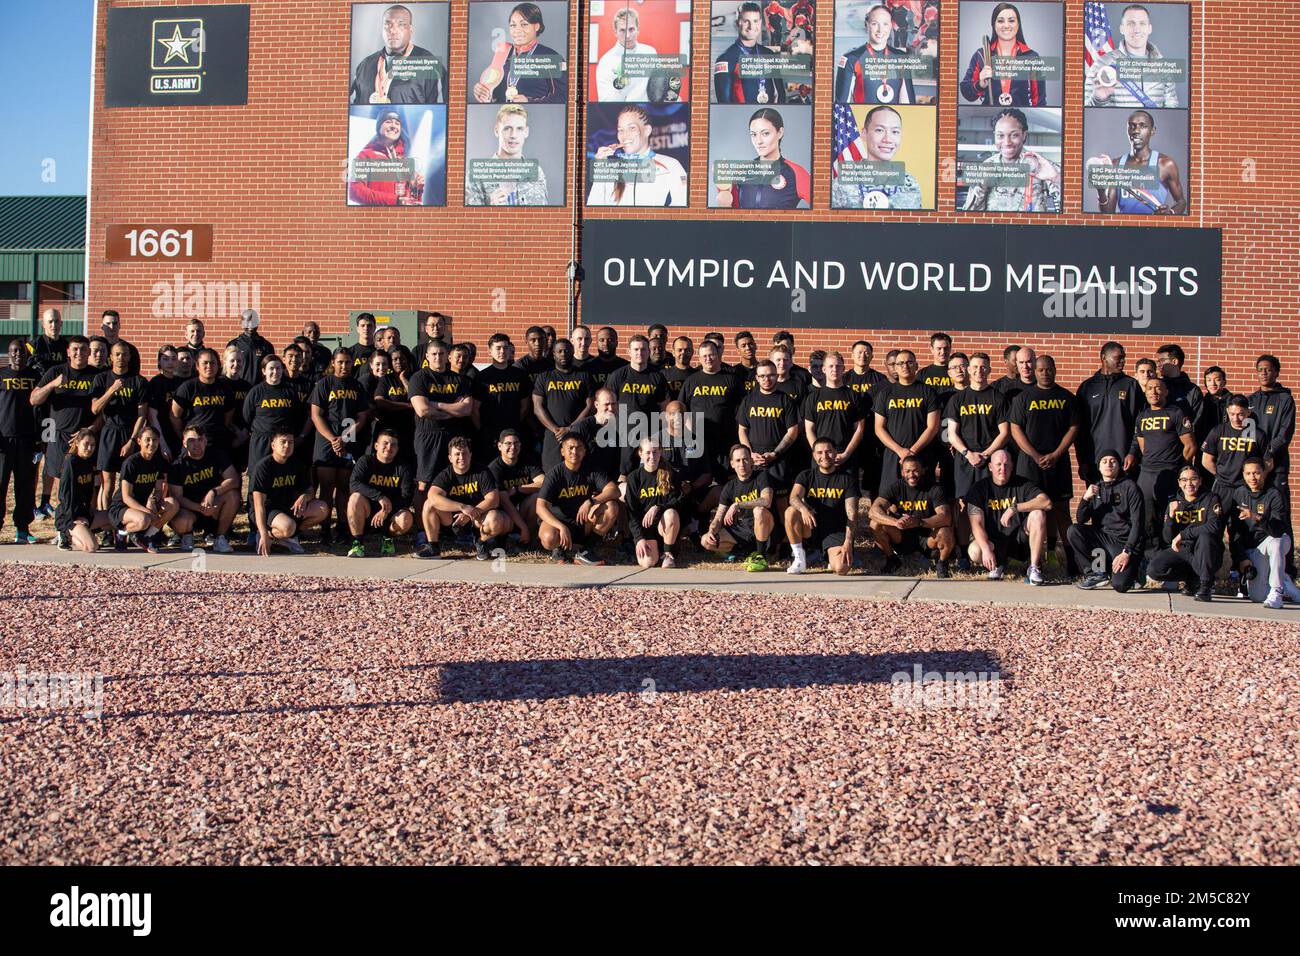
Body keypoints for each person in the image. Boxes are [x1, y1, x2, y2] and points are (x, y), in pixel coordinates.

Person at [1008, 355, 1079, 571]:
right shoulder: (1023, 397)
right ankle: (1024, 558)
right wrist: (1035, 455)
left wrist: (1057, 453)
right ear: (1034, 372)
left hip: (1058, 462)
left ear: (1055, 370)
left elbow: (1073, 428)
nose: (1045, 373)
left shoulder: (1067, 397)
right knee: (1031, 509)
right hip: (1029, 464)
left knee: (1060, 510)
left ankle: (1068, 561)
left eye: (1049, 369)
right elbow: (1015, 428)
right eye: (1040, 370)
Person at [944, 351, 1010, 557]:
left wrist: (986, 454)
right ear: (968, 370)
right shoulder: (958, 399)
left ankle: (991, 549)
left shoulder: (997, 397)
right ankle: (963, 553)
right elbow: (952, 434)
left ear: (989, 370)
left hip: (989, 461)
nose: (979, 371)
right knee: (963, 507)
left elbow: (1005, 433)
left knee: (990, 505)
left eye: (983, 367)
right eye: (974, 367)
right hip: (965, 461)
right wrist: (968, 453)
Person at [310, 349, 372, 544]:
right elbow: (316, 415)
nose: (344, 366)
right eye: (340, 362)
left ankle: (343, 527)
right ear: (333, 363)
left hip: (349, 440)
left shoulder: (357, 386)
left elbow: (363, 416)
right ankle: (325, 529)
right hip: (326, 442)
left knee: (345, 488)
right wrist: (333, 439)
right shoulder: (324, 384)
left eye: (347, 362)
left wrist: (345, 438)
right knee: (327, 488)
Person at [30, 335, 97, 519]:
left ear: (89, 352)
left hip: (85, 439)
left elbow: (103, 412)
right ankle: (63, 526)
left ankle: (85, 520)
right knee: (62, 483)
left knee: (87, 482)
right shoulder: (55, 371)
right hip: (58, 434)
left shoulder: (96, 375)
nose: (79, 353)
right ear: (68, 352)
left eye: (83, 349)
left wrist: (90, 430)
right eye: (75, 349)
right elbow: (34, 399)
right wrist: (52, 384)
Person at [966, 448, 1052, 584]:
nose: (1003, 468)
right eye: (998, 464)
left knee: (1038, 514)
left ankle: (1034, 568)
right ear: (990, 467)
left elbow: (1046, 502)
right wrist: (986, 549)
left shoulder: (1023, 484)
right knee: (975, 551)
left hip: (1019, 538)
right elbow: (976, 524)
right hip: (994, 541)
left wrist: (1015, 507)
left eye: (1006, 464)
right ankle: (998, 563)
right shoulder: (979, 489)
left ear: (1012, 467)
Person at [536, 433, 620, 565]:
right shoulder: (554, 474)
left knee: (612, 507)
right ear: (562, 451)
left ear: (584, 451)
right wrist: (561, 526)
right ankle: (559, 549)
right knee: (548, 538)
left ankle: (586, 550)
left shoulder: (591, 470)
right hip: (559, 523)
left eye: (579, 447)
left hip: (583, 522)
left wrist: (591, 501)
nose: (574, 451)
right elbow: (540, 507)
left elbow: (614, 490)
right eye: (570, 448)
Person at [1069, 450, 1144, 593]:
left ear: (1119, 465)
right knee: (1074, 530)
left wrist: (1126, 552)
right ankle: (1096, 574)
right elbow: (1081, 519)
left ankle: (1137, 568)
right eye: (1104, 461)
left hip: (1123, 542)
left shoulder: (1130, 487)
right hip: (1102, 540)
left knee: (1120, 586)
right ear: (1099, 467)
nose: (1108, 464)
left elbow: (1138, 523)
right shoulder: (1096, 488)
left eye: (1113, 461)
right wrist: (1086, 498)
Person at [1229, 458, 1300, 608]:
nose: (1252, 477)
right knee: (1258, 597)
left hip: (1276, 539)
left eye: (1256, 473)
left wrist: (1256, 517)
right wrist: (1241, 558)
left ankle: (1277, 591)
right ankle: (1285, 581)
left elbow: (1278, 531)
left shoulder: (1274, 494)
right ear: (1243, 474)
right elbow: (1234, 531)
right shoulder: (1239, 494)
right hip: (1254, 547)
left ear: (1264, 473)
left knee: (1276, 543)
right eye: (1248, 473)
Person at [90, 342, 149, 521]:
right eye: (117, 354)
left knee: (130, 483)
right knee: (107, 484)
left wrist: (132, 440)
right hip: (108, 433)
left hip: (130, 433)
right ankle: (107, 525)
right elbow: (95, 409)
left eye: (124, 354)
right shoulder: (101, 378)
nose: (121, 358)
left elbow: (142, 415)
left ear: (129, 357)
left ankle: (129, 522)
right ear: (111, 357)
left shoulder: (139, 381)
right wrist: (112, 390)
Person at [422, 437, 507, 560]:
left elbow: (493, 499)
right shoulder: (446, 474)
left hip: (478, 518)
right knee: (429, 504)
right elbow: (433, 496)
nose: (461, 457)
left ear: (470, 455)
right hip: (453, 520)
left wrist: (470, 513)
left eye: (464, 453)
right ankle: (433, 547)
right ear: (450, 458)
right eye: (457, 454)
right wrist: (462, 507)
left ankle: (481, 543)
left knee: (495, 518)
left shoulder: (482, 471)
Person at [1133, 375, 1196, 543]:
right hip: (1147, 474)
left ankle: (1171, 552)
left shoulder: (1176, 412)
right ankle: (1150, 557)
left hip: (1170, 472)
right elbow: (1143, 447)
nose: (1154, 391)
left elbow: (1190, 446)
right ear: (1145, 393)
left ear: (1166, 392)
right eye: (1150, 388)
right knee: (1147, 517)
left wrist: (1180, 469)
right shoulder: (1141, 417)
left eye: (1158, 388)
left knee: (1170, 516)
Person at [1146, 466, 1223, 602]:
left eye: (1193, 479)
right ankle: (1192, 578)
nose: (1189, 484)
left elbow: (1214, 526)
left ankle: (1205, 586)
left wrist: (1183, 534)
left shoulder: (1211, 498)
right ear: (1179, 483)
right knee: (1154, 569)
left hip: (1205, 550)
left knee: (1205, 538)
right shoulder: (1174, 502)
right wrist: (1170, 517)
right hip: (1182, 549)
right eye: (1184, 480)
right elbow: (1168, 538)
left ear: (1200, 481)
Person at [869, 454, 954, 577]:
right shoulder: (896, 487)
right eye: (908, 471)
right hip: (902, 535)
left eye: (915, 471)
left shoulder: (934, 488)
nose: (911, 475)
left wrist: (919, 522)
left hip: (927, 536)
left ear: (923, 470)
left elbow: (946, 516)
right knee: (875, 524)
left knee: (946, 530)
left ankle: (942, 563)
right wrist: (895, 522)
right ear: (903, 473)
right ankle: (892, 559)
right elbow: (873, 511)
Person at [962, 108, 1060, 213]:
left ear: (1024, 135)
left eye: (1014, 135)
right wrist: (981, 186)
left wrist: (1056, 178)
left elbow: (1068, 209)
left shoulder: (1041, 166)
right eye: (1000, 135)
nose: (1007, 142)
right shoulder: (987, 167)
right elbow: (969, 215)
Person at [786, 438, 860, 576]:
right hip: (811, 526)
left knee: (841, 568)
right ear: (814, 455)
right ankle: (799, 559)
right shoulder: (806, 475)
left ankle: (828, 556)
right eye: (819, 452)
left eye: (828, 452)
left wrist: (848, 542)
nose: (824, 456)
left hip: (834, 530)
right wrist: (803, 509)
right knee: (791, 512)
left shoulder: (847, 479)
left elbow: (852, 514)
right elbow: (793, 497)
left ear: (835, 453)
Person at [587, 105, 688, 206]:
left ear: (647, 130)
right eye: (620, 130)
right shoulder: (610, 166)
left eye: (632, 128)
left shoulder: (671, 165)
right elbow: (594, 206)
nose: (624, 135)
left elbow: (683, 207)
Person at [1090, 110, 1187, 215]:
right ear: (1127, 130)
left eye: (1143, 126)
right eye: (1132, 126)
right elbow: (1108, 212)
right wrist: (1100, 190)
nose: (1136, 131)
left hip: (1155, 229)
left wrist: (1171, 212)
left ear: (1152, 131)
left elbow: (1181, 202)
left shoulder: (1166, 164)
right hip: (1125, 229)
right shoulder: (1116, 165)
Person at [1085, 3, 1180, 108]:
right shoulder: (1102, 64)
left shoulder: (1163, 67)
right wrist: (1099, 100)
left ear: (1149, 29)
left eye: (1142, 23)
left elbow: (1173, 107)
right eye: (1131, 23)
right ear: (1122, 29)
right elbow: (1086, 111)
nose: (1137, 29)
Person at [248, 432, 327, 556]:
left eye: (291, 442)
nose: (287, 445)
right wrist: (263, 532)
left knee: (322, 509)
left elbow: (309, 490)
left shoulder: (296, 464)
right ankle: (265, 535)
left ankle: (289, 537)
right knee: (288, 526)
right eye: (283, 442)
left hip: (288, 506)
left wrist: (304, 497)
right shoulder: (263, 467)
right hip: (268, 509)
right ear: (273, 445)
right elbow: (258, 505)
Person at [872, 349, 941, 490]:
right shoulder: (885, 394)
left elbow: (933, 427)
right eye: (901, 363)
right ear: (895, 367)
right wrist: (900, 451)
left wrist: (912, 451)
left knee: (924, 499)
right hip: (894, 456)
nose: (905, 366)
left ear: (916, 366)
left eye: (909, 362)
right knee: (890, 501)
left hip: (922, 454)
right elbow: (879, 428)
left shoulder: (928, 392)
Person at [831, 105, 924, 209]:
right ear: (864, 134)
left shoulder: (910, 184)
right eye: (879, 130)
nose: (888, 139)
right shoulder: (842, 183)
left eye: (895, 132)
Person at [350, 3, 444, 105]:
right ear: (382, 29)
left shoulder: (429, 64)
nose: (393, 30)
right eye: (388, 24)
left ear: (411, 30)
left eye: (401, 24)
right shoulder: (365, 65)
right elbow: (351, 110)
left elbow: (440, 112)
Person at [1074, 341, 1142, 484]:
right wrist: (1083, 461)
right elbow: (1080, 429)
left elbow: (1139, 423)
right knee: (1097, 504)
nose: (1123, 361)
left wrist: (1133, 452)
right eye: (1119, 358)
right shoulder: (1087, 387)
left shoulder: (1131, 385)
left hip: (1125, 461)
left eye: (1124, 357)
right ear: (1104, 358)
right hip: (1095, 462)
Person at [166, 425, 241, 553]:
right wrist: (200, 508)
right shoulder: (177, 465)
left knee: (233, 495)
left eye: (200, 439)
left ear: (206, 441)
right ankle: (187, 536)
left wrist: (213, 492)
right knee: (182, 520)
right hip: (190, 510)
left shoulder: (217, 455)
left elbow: (234, 480)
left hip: (213, 506)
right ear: (184, 443)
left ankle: (219, 538)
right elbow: (177, 497)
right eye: (191, 440)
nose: (196, 444)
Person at [472, 3, 567, 104]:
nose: (517, 30)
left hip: (533, 114)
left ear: (536, 26)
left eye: (524, 24)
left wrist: (529, 102)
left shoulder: (552, 57)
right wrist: (484, 93)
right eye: (513, 25)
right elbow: (495, 94)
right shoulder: (504, 53)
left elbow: (563, 96)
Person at [682, 340, 747, 485]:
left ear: (718, 355)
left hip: (726, 440)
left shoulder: (732, 380)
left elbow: (743, 410)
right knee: (700, 480)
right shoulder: (691, 381)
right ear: (699, 358)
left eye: (711, 355)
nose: (708, 359)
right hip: (699, 442)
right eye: (704, 356)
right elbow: (683, 410)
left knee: (726, 481)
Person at [702, 444, 776, 571]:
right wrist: (711, 531)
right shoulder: (729, 487)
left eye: (745, 459)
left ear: (751, 461)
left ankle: (761, 557)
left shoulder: (762, 476)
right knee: (706, 541)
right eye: (738, 460)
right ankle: (744, 552)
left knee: (759, 510)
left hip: (765, 526)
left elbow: (766, 501)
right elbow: (719, 517)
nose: (742, 464)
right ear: (732, 464)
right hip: (742, 530)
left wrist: (738, 504)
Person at [718, 109, 810, 209]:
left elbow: (821, 209)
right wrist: (723, 189)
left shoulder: (796, 173)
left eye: (765, 133)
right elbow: (732, 213)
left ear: (780, 132)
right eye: (754, 134)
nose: (758, 141)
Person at [347, 429, 416, 557]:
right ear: (376, 446)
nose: (389, 447)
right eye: (385, 443)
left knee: (406, 519)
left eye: (394, 444)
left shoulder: (403, 467)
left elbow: (407, 496)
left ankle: (387, 538)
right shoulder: (366, 461)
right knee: (355, 498)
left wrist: (386, 510)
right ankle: (357, 543)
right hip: (367, 510)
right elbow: (354, 483)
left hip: (391, 513)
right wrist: (380, 497)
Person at [960, 2, 1046, 106]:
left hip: (1020, 117)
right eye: (1000, 21)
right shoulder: (982, 55)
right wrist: (980, 84)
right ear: (994, 25)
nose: (1006, 25)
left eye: (1011, 21)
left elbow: (1039, 101)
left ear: (1018, 24)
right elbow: (966, 92)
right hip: (989, 116)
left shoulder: (1032, 57)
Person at [738, 360, 800, 501]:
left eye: (771, 375)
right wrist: (750, 454)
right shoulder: (748, 400)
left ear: (777, 376)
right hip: (754, 460)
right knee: (755, 503)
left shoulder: (786, 400)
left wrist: (775, 454)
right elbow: (742, 430)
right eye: (762, 376)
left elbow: (793, 431)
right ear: (757, 378)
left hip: (778, 459)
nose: (766, 379)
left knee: (781, 503)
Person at [108, 427, 178, 553]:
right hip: (122, 507)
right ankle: (122, 532)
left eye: (155, 440)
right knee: (144, 519)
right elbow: (126, 497)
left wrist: (154, 499)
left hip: (142, 504)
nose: (152, 443)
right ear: (139, 441)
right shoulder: (131, 463)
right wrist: (148, 511)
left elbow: (158, 489)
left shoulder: (158, 461)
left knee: (173, 504)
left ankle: (146, 537)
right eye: (148, 440)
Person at [465, 105, 550, 206]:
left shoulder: (537, 172)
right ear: (497, 131)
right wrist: (489, 208)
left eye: (519, 129)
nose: (513, 135)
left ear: (526, 132)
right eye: (507, 128)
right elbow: (471, 220)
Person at [835, 5, 918, 104]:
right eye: (874, 24)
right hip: (862, 119)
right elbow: (841, 107)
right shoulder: (851, 59)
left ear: (891, 26)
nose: (880, 30)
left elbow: (909, 104)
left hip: (893, 118)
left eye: (885, 24)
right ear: (867, 24)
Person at [802, 351, 869, 473]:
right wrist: (819, 453)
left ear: (843, 369)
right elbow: (809, 429)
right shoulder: (813, 397)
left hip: (846, 456)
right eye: (831, 366)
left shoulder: (854, 396)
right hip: (821, 457)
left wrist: (846, 454)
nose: (835, 369)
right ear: (824, 369)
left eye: (838, 366)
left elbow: (859, 429)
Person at [533, 339, 593, 472]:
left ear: (572, 352)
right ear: (553, 354)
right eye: (559, 351)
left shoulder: (584, 376)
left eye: (566, 350)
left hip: (578, 433)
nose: (563, 354)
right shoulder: (544, 377)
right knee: (552, 472)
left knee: (580, 471)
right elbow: (537, 408)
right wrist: (556, 429)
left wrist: (571, 428)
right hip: (553, 435)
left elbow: (590, 406)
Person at [622, 437, 683, 568]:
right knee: (647, 562)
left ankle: (668, 552)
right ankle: (656, 551)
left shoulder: (669, 473)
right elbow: (631, 512)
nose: (652, 456)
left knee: (671, 513)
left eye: (655, 452)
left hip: (665, 528)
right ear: (640, 454)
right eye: (648, 452)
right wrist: (639, 539)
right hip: (646, 530)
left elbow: (677, 501)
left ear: (660, 452)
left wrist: (658, 507)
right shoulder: (634, 477)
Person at [243, 354, 308, 472]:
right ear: (264, 371)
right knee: (260, 476)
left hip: (283, 442)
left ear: (282, 370)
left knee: (281, 477)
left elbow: (300, 416)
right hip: (261, 442)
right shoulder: (255, 392)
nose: (275, 372)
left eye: (278, 368)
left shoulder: (290, 392)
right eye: (271, 368)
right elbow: (247, 417)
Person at [0, 338, 38, 543]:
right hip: (3, 442)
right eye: (14, 351)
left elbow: (42, 409)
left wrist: (41, 440)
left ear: (26, 353)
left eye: (21, 351)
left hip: (27, 441)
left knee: (25, 486)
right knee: (0, 485)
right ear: (8, 353)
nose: (17, 354)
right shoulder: (1, 375)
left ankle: (22, 529)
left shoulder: (35, 376)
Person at [349, 110, 425, 206]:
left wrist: (415, 187)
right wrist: (395, 201)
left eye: (397, 123)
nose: (393, 126)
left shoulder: (405, 162)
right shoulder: (365, 155)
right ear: (379, 127)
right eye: (388, 122)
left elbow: (410, 200)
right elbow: (355, 191)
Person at [487, 429, 544, 549]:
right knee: (497, 519)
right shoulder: (494, 468)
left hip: (523, 508)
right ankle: (501, 539)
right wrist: (522, 527)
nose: (512, 447)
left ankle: (529, 540)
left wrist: (518, 489)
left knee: (536, 498)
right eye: (508, 443)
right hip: (505, 512)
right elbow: (505, 502)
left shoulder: (528, 461)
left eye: (516, 443)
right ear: (499, 446)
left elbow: (543, 482)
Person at [171, 348, 236, 455]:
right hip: (194, 444)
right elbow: (174, 416)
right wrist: (184, 435)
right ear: (197, 366)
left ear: (218, 365)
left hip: (218, 443)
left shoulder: (225, 388)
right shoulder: (188, 387)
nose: (209, 366)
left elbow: (228, 415)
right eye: (205, 363)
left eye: (212, 363)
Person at [54, 429, 110, 552]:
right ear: (77, 443)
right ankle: (66, 535)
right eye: (86, 444)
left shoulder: (89, 462)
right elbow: (65, 494)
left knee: (115, 518)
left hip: (84, 513)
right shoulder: (71, 461)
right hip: (69, 517)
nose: (89, 448)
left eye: (93, 445)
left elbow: (89, 491)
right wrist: (73, 518)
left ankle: (84, 533)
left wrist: (89, 511)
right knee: (92, 547)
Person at [1201, 395, 1261, 505]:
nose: (1235, 418)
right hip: (1222, 487)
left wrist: (1254, 481)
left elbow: (1267, 463)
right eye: (1232, 414)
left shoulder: (1258, 434)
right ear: (1227, 411)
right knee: (1218, 520)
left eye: (1240, 414)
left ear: (1248, 412)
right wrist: (1221, 476)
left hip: (1246, 488)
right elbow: (1206, 460)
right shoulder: (1218, 431)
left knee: (1244, 521)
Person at [596, 4, 657, 102]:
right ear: (615, 32)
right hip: (622, 114)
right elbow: (604, 101)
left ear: (638, 29)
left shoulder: (650, 52)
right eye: (622, 30)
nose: (627, 36)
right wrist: (621, 87)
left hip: (649, 114)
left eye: (631, 29)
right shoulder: (606, 61)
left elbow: (657, 88)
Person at [145, 345, 183, 461]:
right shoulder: (155, 383)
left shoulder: (181, 383)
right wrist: (162, 443)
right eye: (166, 359)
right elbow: (152, 416)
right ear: (159, 362)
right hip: (162, 433)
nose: (170, 363)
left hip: (178, 432)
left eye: (173, 358)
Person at [98, 310, 142, 376]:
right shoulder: (97, 347)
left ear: (119, 325)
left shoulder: (129, 349)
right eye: (108, 323)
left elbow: (135, 375)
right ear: (102, 327)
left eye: (115, 323)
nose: (112, 327)